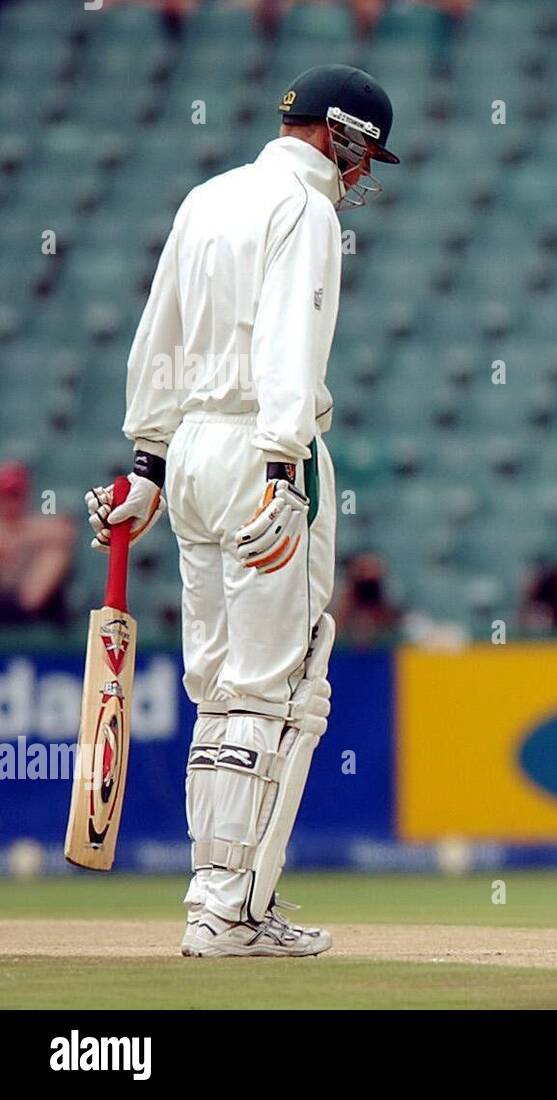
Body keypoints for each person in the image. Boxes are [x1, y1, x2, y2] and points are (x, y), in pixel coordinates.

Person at [84, 64, 400, 958]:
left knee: (217, 685)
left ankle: (212, 898)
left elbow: (161, 334)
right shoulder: (304, 209)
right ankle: (233, 910)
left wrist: (145, 460)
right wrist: (282, 469)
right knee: (278, 691)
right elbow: (291, 345)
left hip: (187, 452)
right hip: (263, 450)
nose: (363, 174)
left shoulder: (207, 197)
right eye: (364, 152)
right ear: (338, 134)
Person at [0, 460, 74, 627]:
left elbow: (65, 531)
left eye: (15, 496)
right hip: (4, 596)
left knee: (55, 553)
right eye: (6, 496)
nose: (11, 503)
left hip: (32, 603)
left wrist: (17, 539)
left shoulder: (35, 523)